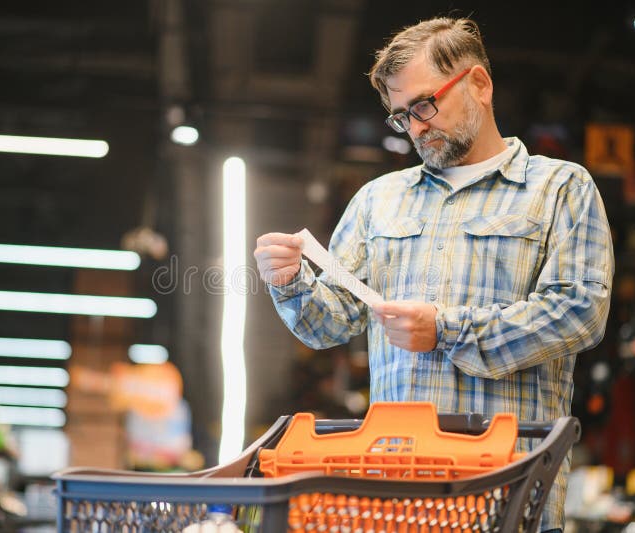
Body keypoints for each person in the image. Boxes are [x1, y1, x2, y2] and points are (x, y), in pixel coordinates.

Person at [253, 15, 613, 532]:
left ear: (479, 84)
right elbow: (326, 325)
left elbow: (580, 312)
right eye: (401, 117)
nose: (416, 127)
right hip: (398, 499)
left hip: (510, 497)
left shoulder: (560, 188)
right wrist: (289, 282)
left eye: (424, 105)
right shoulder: (379, 200)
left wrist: (447, 330)